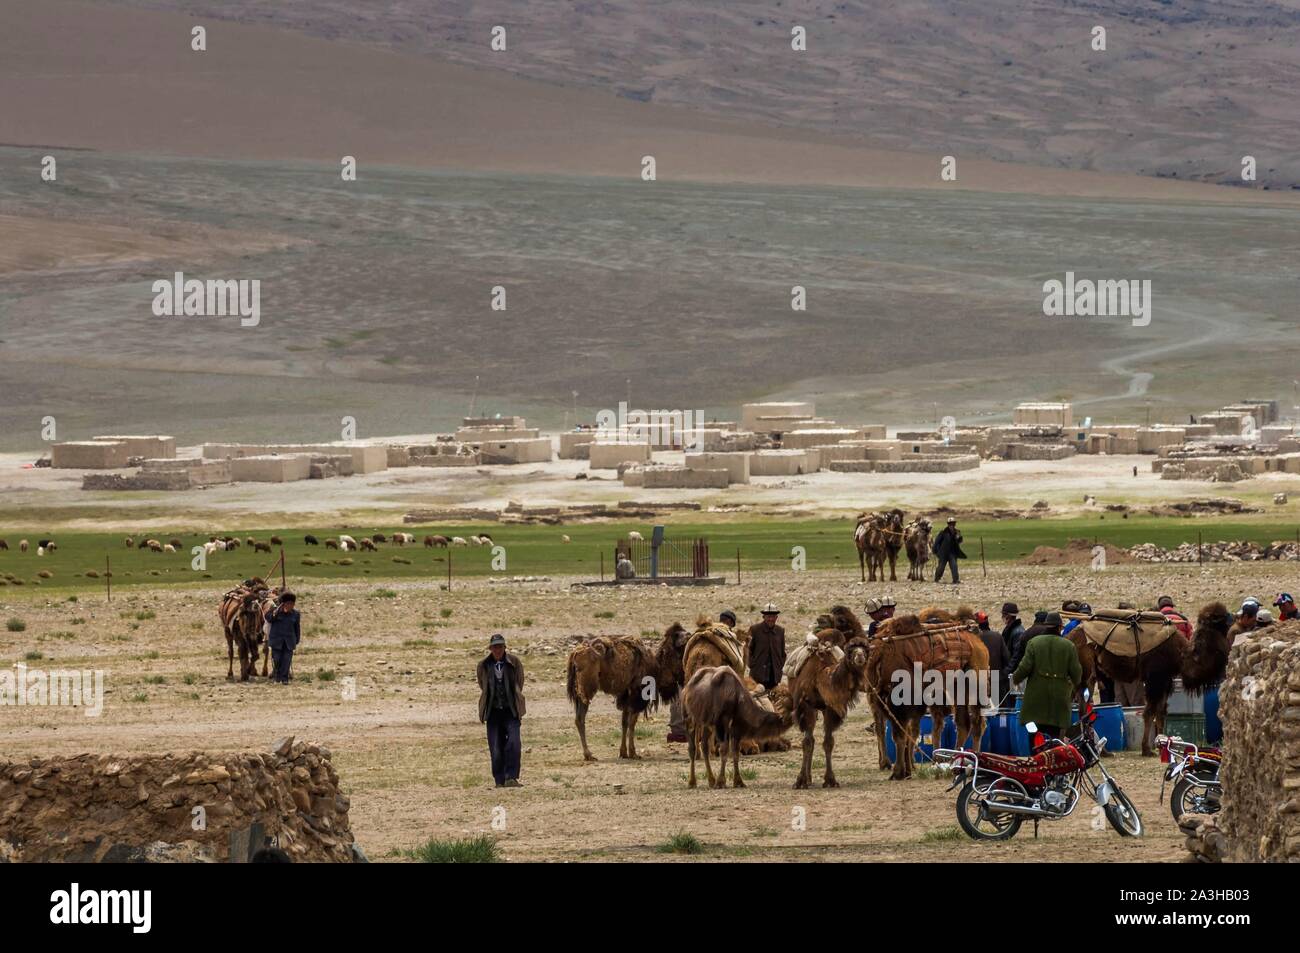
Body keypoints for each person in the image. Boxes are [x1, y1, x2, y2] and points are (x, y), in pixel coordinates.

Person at [1012, 611, 1082, 741]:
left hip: (1036, 700)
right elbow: (1077, 675)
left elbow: (1024, 668)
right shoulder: (1069, 646)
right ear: (1060, 627)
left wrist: (1015, 679)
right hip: (1059, 700)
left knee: (1035, 737)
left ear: (1046, 626)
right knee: (1054, 737)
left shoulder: (1034, 643)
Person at [477, 634, 526, 788]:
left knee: (514, 743)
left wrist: (515, 700)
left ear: (505, 647)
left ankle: (511, 777)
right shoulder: (483, 665)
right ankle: (499, 781)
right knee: (496, 748)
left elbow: (520, 682)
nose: (498, 650)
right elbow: (482, 685)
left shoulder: (514, 662)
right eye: (495, 647)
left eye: (500, 647)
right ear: (490, 649)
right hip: (493, 712)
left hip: (510, 710)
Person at [746, 603, 787, 691]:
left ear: (776, 617)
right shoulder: (754, 629)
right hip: (757, 675)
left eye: (773, 616)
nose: (771, 619)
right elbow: (748, 650)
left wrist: (779, 666)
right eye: (768, 616)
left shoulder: (780, 631)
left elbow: (782, 653)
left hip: (774, 676)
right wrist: (752, 664)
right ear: (763, 617)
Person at [263, 591, 301, 684]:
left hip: (289, 641)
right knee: (277, 659)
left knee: (287, 660)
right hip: (277, 641)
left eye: (292, 604)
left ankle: (284, 679)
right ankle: (277, 677)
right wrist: (274, 614)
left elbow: (297, 628)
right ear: (284, 604)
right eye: (289, 603)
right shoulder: (275, 612)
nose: (291, 606)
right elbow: (267, 617)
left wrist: (296, 640)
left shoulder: (295, 614)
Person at [975, 610, 1009, 704]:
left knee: (980, 714)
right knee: (1001, 712)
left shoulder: (974, 640)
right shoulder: (997, 637)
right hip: (997, 680)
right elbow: (1007, 658)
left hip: (979, 682)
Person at [932, 517, 966, 584]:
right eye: (950, 524)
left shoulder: (957, 532)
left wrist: (959, 538)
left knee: (954, 566)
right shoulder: (943, 532)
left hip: (952, 553)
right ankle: (937, 578)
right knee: (941, 567)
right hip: (943, 553)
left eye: (953, 524)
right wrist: (934, 550)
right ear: (948, 524)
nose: (952, 525)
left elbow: (960, 541)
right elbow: (937, 542)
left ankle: (955, 580)